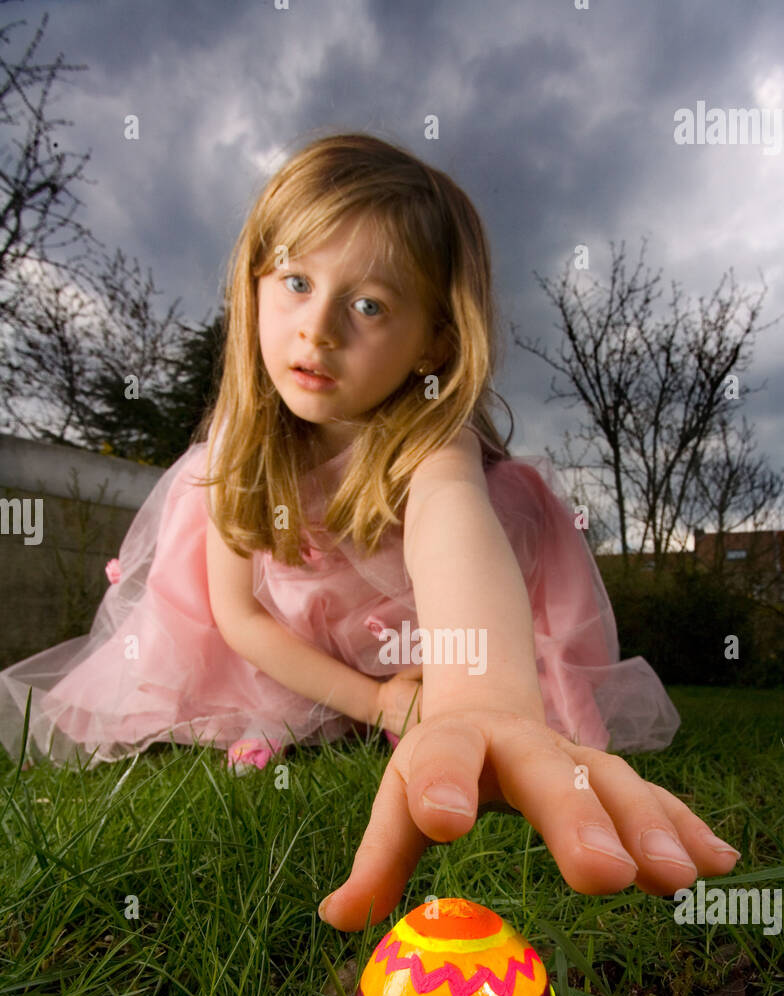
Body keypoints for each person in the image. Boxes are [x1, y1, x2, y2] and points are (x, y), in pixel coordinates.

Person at [0, 131, 741, 929]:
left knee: (484, 632)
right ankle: (363, 711)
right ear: (253, 287)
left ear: (435, 340)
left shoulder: (433, 441)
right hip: (296, 643)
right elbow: (239, 616)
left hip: (435, 635)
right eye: (294, 281)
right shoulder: (238, 452)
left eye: (369, 305)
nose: (317, 329)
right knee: (259, 698)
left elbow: (452, 519)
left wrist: (482, 702)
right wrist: (376, 702)